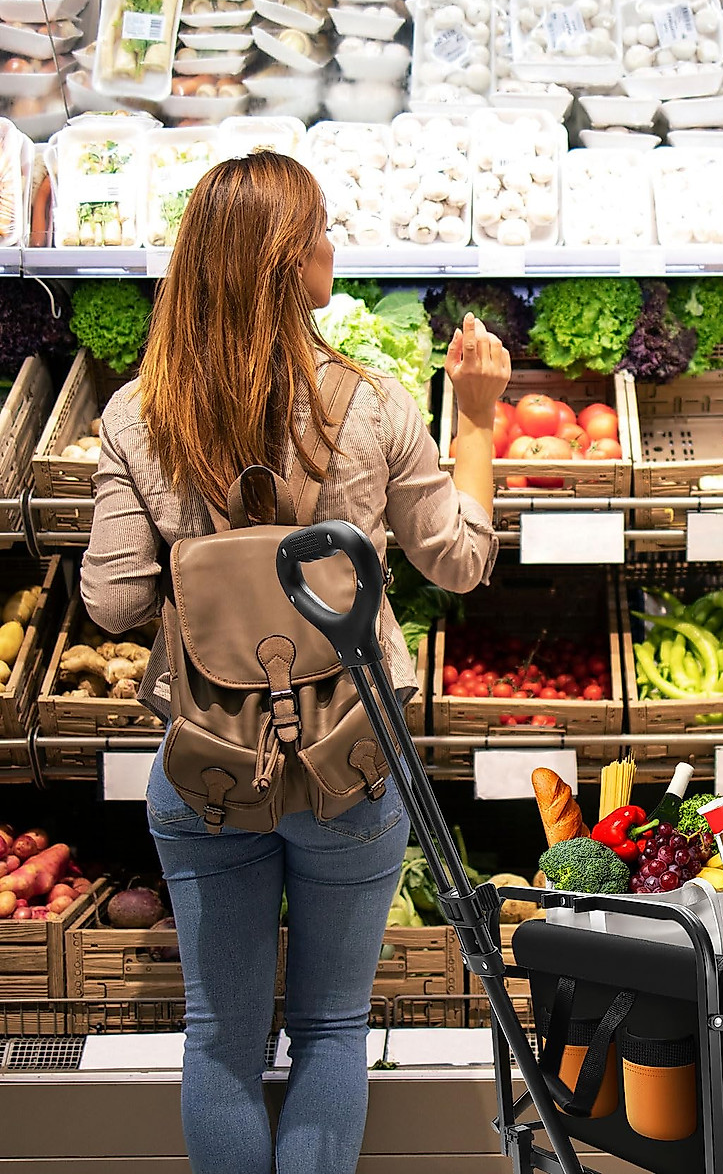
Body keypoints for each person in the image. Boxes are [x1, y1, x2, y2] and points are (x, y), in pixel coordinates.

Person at [79, 151, 510, 1174]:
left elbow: (114, 600)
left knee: (220, 1038)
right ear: (284, 265)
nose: (332, 246)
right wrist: (481, 415)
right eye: (317, 231)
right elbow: (458, 562)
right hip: (350, 761)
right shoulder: (375, 405)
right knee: (328, 1028)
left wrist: (205, 567)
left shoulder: (140, 417)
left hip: (208, 764)